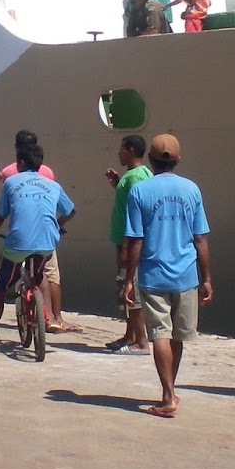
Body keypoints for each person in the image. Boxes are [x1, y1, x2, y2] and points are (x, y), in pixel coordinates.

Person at [120, 134, 210, 418]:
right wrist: (207, 277)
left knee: (159, 333)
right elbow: (200, 239)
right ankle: (169, 391)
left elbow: (135, 239)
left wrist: (129, 278)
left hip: (153, 273)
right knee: (178, 336)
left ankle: (168, 394)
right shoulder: (192, 189)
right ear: (178, 159)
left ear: (150, 160)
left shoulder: (140, 191)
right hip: (186, 273)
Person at [0, 142, 75, 354]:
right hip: (47, 244)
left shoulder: (11, 182)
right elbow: (71, 211)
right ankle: (46, 316)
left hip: (17, 245)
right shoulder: (53, 185)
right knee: (39, 273)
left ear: (20, 162)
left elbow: (0, 215)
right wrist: (58, 224)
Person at [104, 134, 151, 354]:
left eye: (122, 149)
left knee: (130, 287)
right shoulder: (132, 176)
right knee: (126, 288)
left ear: (131, 150)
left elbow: (138, 214)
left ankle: (141, 341)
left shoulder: (136, 177)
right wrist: (117, 184)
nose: (119, 153)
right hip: (126, 241)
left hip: (129, 242)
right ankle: (129, 335)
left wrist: (126, 246)